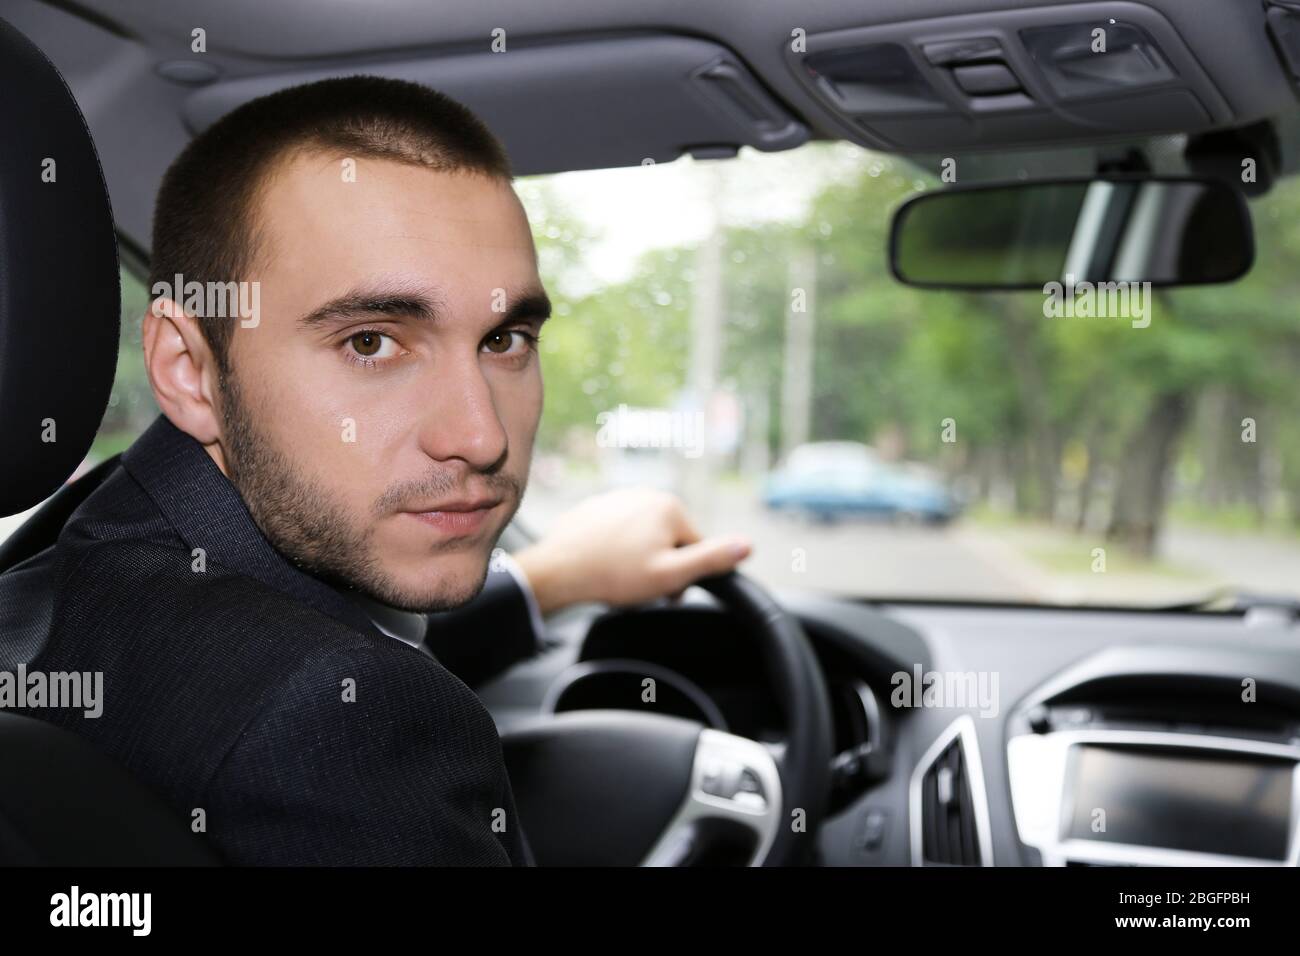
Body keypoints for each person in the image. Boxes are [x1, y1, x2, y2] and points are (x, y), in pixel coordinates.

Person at [14, 75, 750, 865]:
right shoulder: (340, 727)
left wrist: (548, 583)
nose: (480, 435)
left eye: (505, 340)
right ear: (190, 370)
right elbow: (336, 693)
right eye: (371, 342)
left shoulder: (93, 542)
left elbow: (325, 642)